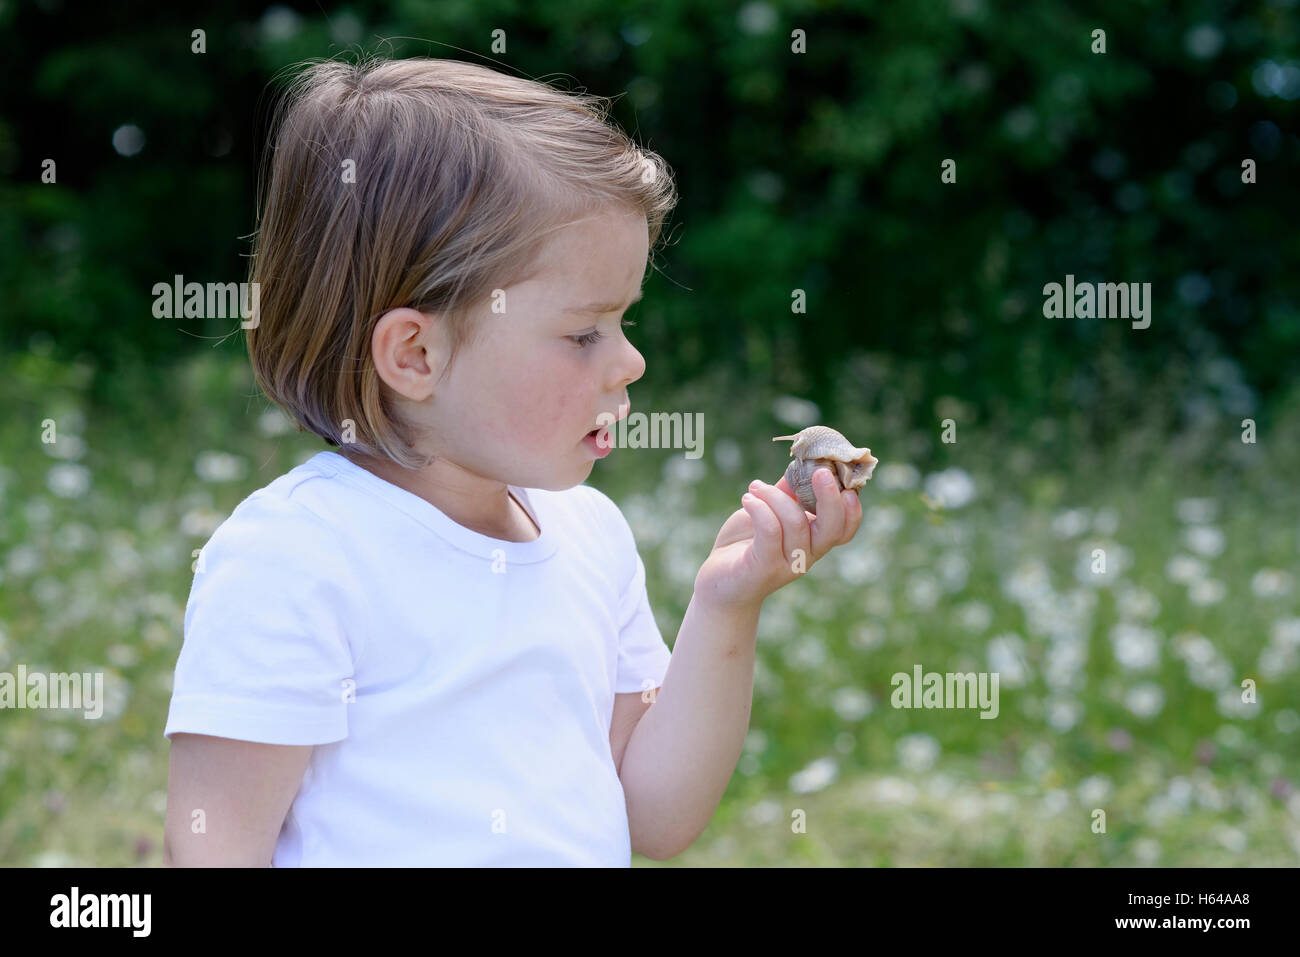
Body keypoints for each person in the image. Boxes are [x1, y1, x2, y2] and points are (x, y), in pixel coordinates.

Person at [162, 55, 862, 867]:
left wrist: (726, 605)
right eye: (583, 332)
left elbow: (652, 819)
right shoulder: (298, 557)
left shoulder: (590, 537)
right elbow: (212, 846)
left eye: (624, 321)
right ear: (416, 353)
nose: (630, 361)